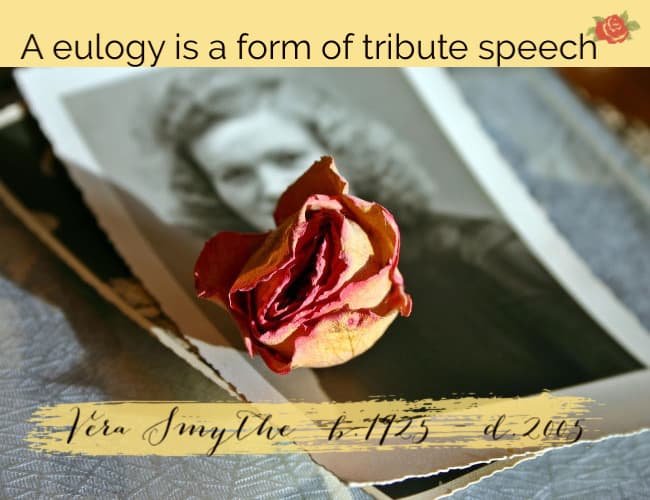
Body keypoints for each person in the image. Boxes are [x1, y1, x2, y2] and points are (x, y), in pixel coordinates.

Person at [156, 72, 639, 399]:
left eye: (286, 158)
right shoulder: (242, 292)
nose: (267, 186)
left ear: (340, 153)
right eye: (235, 175)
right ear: (208, 187)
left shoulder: (481, 251)